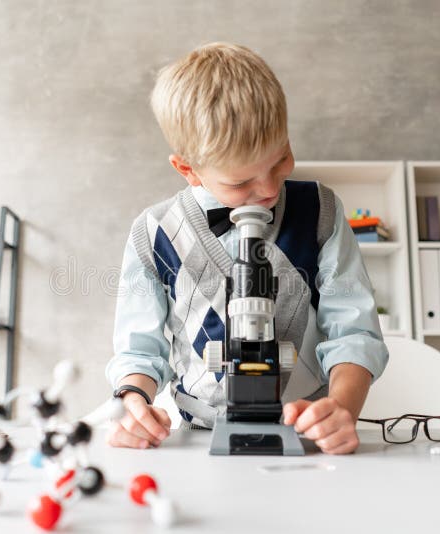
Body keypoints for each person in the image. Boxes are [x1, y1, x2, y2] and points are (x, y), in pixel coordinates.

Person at [105, 42, 388, 455]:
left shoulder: (321, 212)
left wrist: (341, 409)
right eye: (241, 183)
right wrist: (134, 404)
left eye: (282, 159)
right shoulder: (154, 233)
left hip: (305, 436)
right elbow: (139, 349)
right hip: (198, 440)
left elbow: (353, 332)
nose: (270, 189)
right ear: (188, 169)